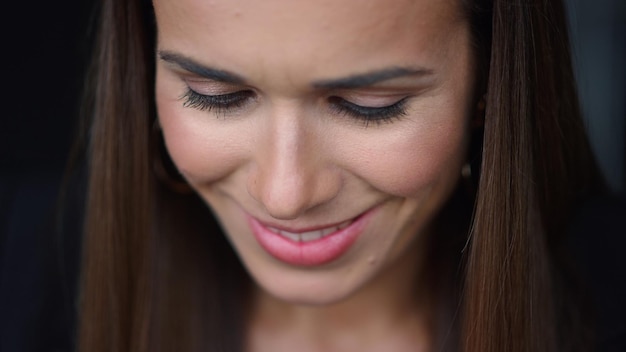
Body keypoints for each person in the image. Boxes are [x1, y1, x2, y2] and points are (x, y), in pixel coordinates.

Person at [76, 0, 618, 351]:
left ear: (487, 83)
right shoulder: (25, 275)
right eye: (216, 96)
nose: (285, 195)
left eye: (368, 105)